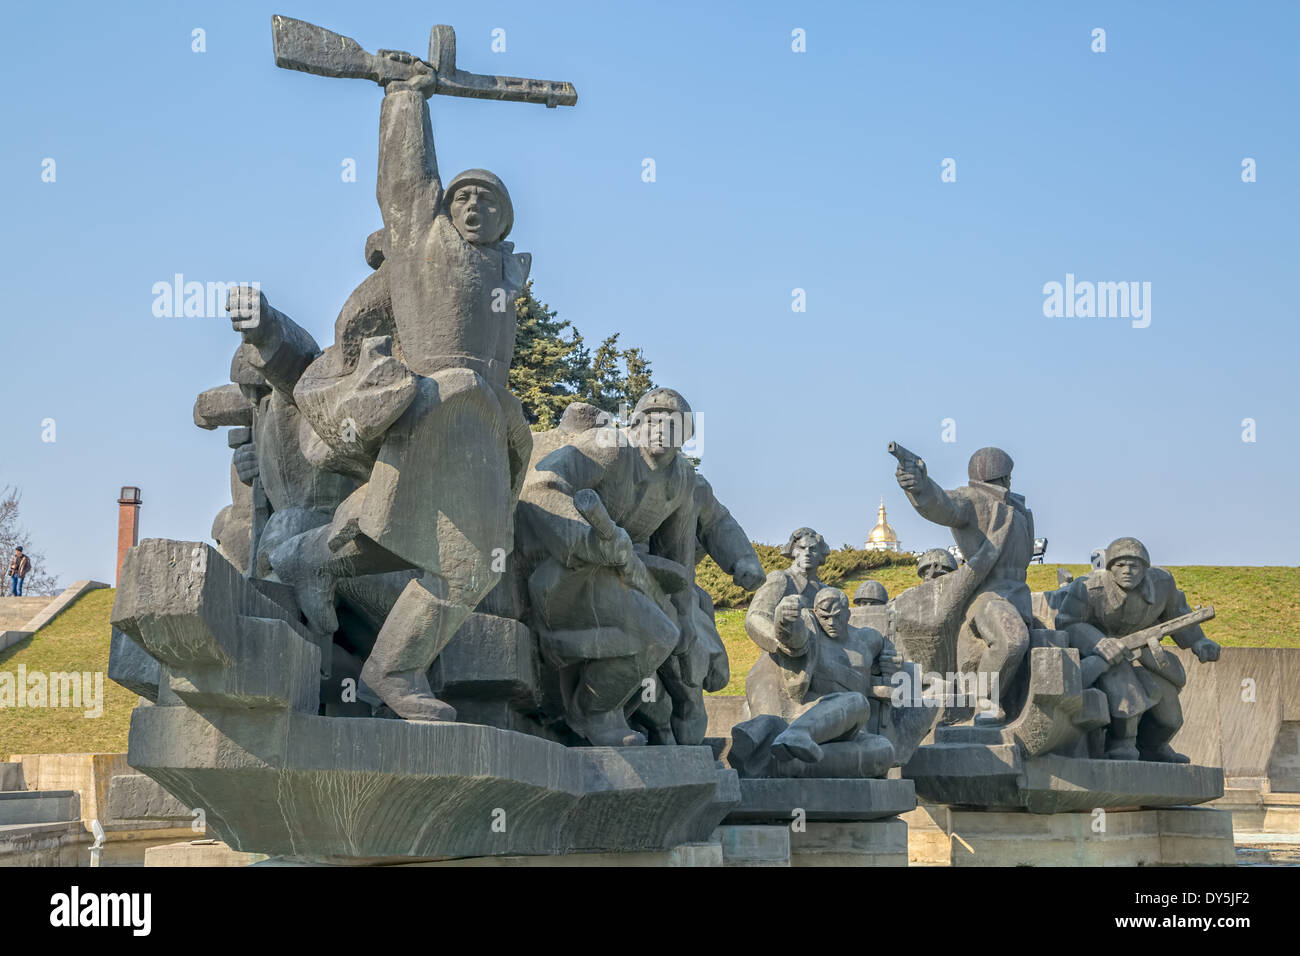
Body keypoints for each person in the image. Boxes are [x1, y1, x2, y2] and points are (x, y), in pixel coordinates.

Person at [895, 446, 1035, 721]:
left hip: (1020, 596)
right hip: (987, 595)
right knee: (1012, 639)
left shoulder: (1017, 508)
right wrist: (920, 487)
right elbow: (944, 505)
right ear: (1003, 474)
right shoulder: (975, 499)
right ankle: (984, 700)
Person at [1054, 537, 1220, 762]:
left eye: (1134, 566)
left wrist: (1199, 641)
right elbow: (1068, 622)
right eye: (1120, 565)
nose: (1127, 571)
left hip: (1142, 652)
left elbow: (1178, 615)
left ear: (1145, 567)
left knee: (1170, 717)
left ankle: (1153, 747)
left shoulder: (1163, 584)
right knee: (1126, 697)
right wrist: (1099, 643)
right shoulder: (1089, 588)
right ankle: (1122, 747)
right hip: (1101, 653)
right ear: (1110, 567)